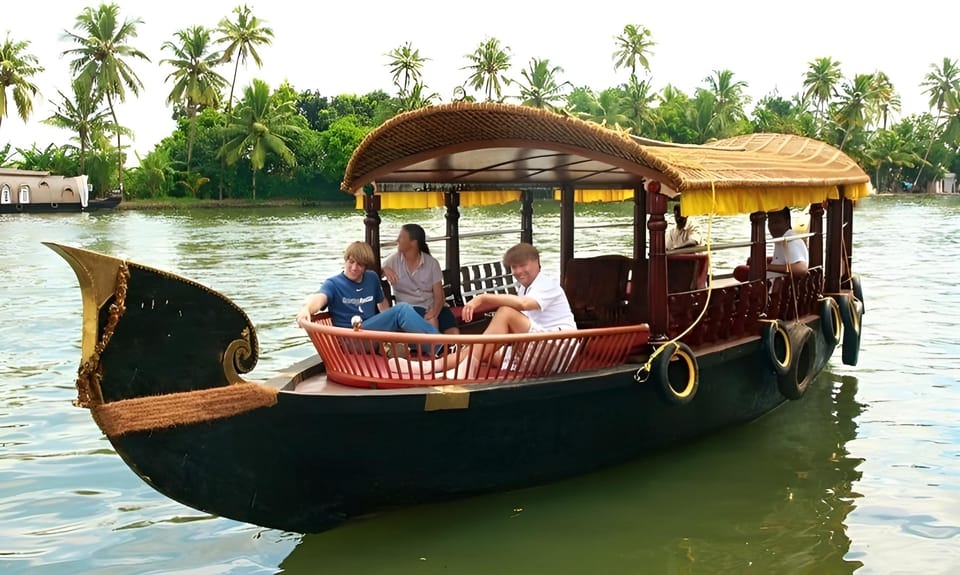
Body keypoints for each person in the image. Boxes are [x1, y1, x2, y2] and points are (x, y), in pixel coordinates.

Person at [435, 242, 577, 379]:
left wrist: (483, 298)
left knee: (505, 312)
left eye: (523, 265)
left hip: (557, 349)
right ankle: (432, 365)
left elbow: (524, 304)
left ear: (536, 261)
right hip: (535, 348)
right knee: (484, 349)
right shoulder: (524, 289)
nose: (518, 271)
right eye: (514, 267)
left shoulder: (547, 283)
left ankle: (466, 369)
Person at [296, 241, 439, 347]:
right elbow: (320, 298)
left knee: (408, 329)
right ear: (345, 260)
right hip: (351, 339)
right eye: (351, 262)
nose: (354, 268)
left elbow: (382, 303)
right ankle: (442, 346)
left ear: (365, 266)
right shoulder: (333, 283)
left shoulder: (371, 278)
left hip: (372, 335)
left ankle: (439, 353)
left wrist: (392, 322)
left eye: (360, 264)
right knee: (402, 309)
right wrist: (306, 309)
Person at [382, 223, 460, 334]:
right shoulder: (392, 261)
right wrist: (384, 269)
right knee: (432, 324)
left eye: (401, 237)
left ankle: (451, 351)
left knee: (453, 332)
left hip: (433, 306)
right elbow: (373, 274)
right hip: (410, 309)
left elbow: (439, 296)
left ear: (413, 242)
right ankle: (436, 350)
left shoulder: (432, 263)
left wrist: (434, 312)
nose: (397, 240)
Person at [766, 207, 808, 278]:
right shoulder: (781, 239)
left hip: (779, 287)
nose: (772, 226)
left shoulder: (790, 241)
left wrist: (768, 267)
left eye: (777, 222)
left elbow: (801, 269)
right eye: (770, 222)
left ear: (787, 222)